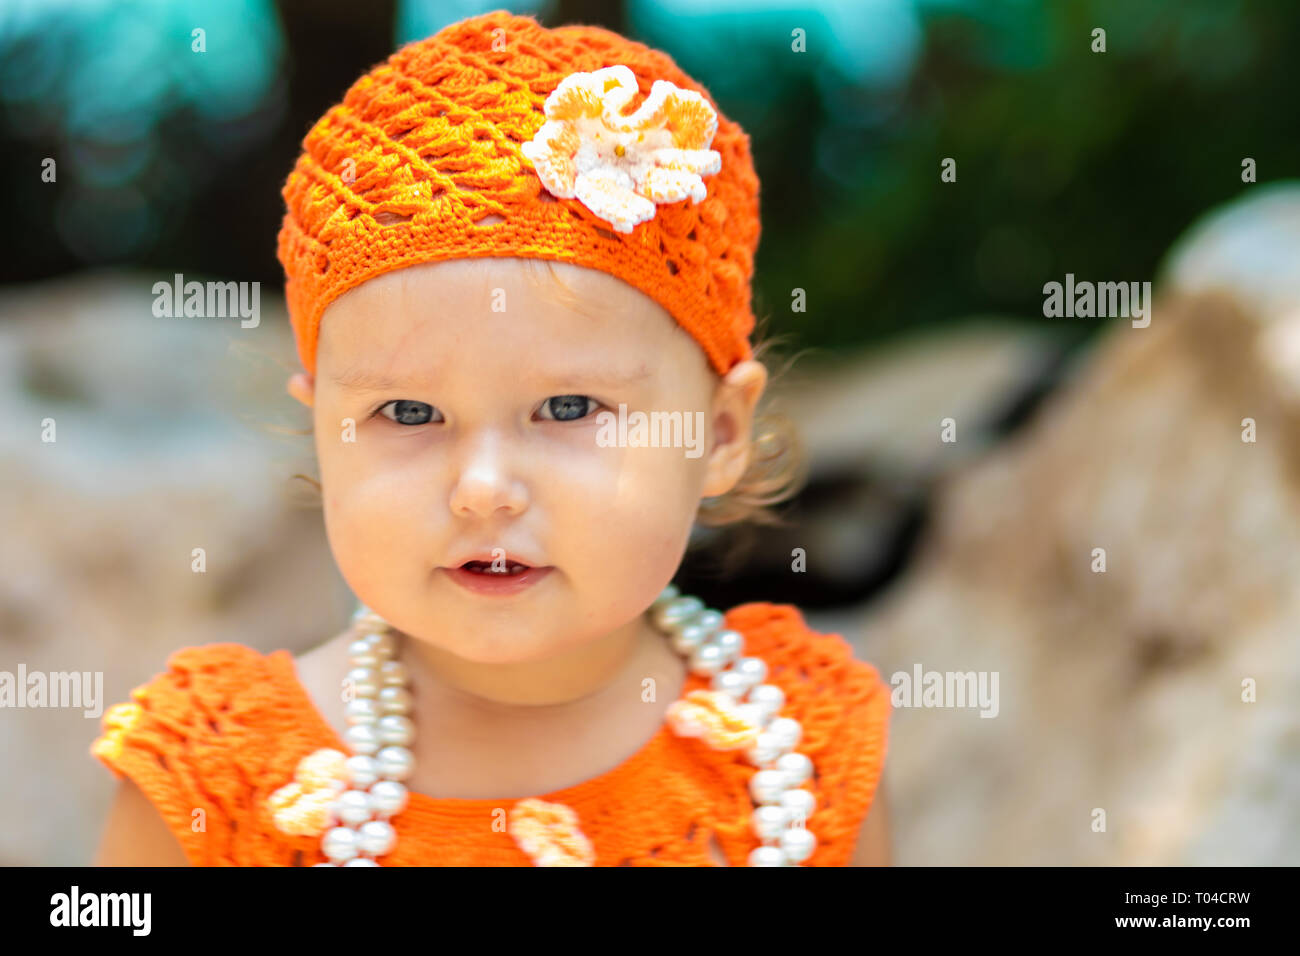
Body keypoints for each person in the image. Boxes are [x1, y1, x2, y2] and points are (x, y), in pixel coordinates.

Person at [90, 9, 891, 867]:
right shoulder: (218, 787)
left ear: (720, 433)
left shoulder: (796, 758)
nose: (483, 487)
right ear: (322, 430)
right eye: (407, 414)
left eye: (571, 408)